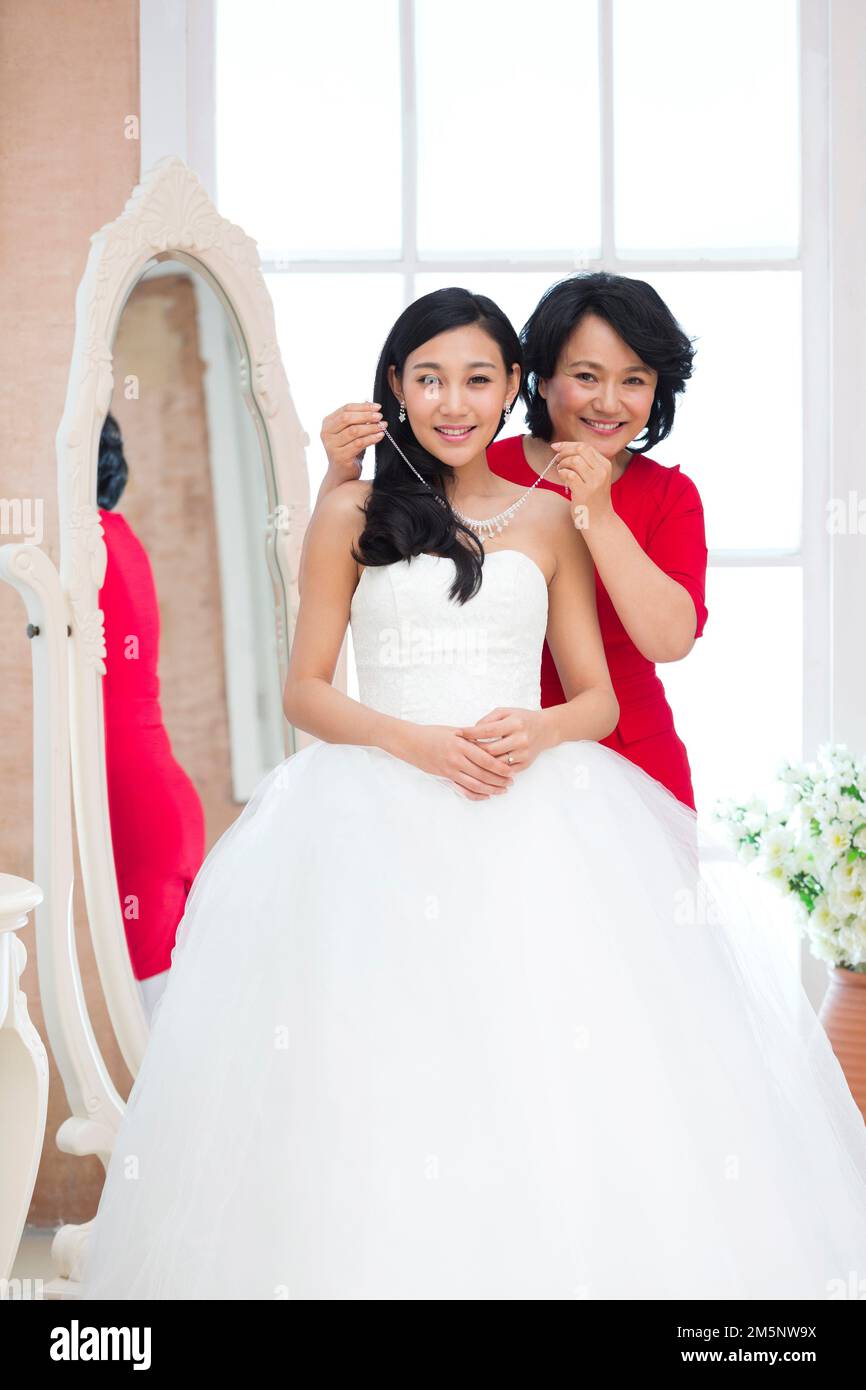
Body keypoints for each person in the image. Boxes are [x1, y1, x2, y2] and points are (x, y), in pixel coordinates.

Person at [80, 290, 866, 1301]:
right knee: (378, 1056)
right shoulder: (350, 508)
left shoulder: (553, 514)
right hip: (374, 806)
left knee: (559, 1057)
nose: (453, 398)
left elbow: (596, 691)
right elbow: (304, 689)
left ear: (507, 392)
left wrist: (536, 727)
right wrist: (411, 740)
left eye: (475, 378)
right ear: (395, 386)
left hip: (542, 805)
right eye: (427, 377)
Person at [317, 272, 707, 809]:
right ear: (539, 381)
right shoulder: (474, 461)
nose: (609, 402)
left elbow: (668, 642)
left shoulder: (668, 496)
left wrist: (596, 511)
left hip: (617, 757)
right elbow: (348, 581)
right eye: (586, 376)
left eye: (635, 380)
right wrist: (339, 477)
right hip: (463, 763)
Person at [98, 412, 206, 1020]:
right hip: (157, 802)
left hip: (141, 811)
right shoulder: (118, 535)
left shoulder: (93, 539)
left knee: (161, 1028)